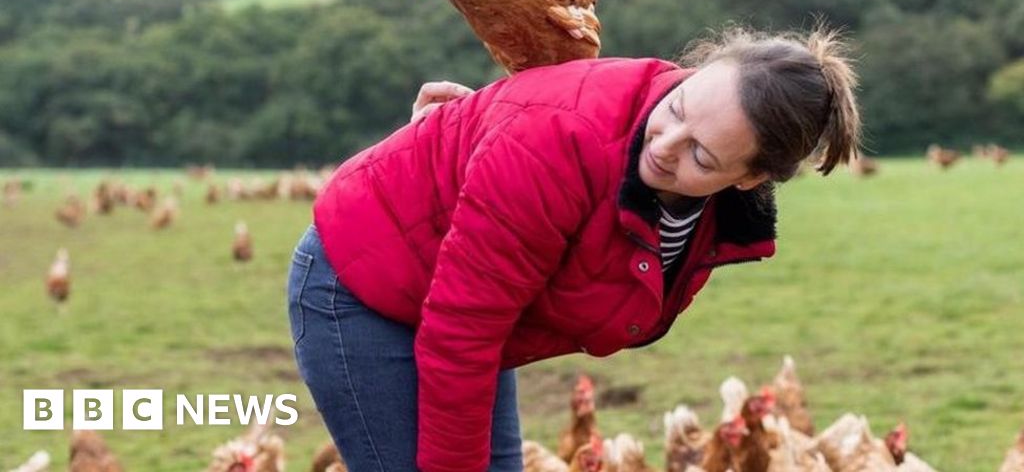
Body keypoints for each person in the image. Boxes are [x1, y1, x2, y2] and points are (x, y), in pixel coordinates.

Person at [287, 26, 861, 472]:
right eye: (676, 109)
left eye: (702, 157)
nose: (664, 146)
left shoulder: (720, 211)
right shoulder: (554, 146)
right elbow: (462, 335)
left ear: (749, 180)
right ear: (691, 73)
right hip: (360, 285)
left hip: (462, 301)